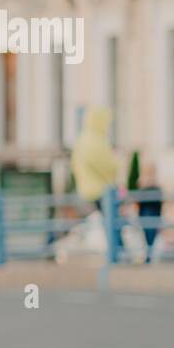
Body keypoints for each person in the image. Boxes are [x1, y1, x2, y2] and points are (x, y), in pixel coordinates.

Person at [71, 106, 119, 251]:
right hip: (100, 189)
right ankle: (117, 251)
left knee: (81, 222)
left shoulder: (82, 139)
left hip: (84, 188)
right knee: (113, 222)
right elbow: (108, 165)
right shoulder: (96, 140)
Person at [135, 160, 163, 262]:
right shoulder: (143, 183)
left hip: (151, 213)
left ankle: (149, 257)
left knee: (150, 238)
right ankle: (148, 257)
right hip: (148, 213)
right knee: (148, 238)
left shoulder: (152, 184)